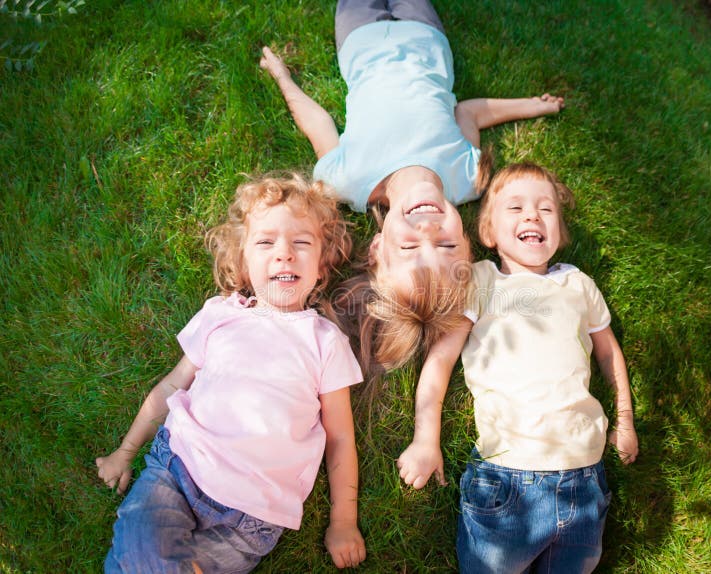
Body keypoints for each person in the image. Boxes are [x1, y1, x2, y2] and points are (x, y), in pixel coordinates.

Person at [260, 0, 564, 372]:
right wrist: (532, 105)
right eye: (447, 244)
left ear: (377, 247)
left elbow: (317, 123)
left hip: (361, 41)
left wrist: (282, 78)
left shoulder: (348, 183)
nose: (428, 229)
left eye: (409, 246)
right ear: (468, 243)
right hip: (426, 38)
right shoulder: (467, 178)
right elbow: (469, 113)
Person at [96, 174, 367, 572]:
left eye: (302, 242)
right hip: (178, 471)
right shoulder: (221, 314)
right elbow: (172, 385)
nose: (284, 254)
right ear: (241, 259)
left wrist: (344, 522)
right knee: (142, 552)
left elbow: (340, 437)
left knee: (138, 564)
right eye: (265, 241)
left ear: (322, 264)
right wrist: (126, 451)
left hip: (252, 516)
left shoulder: (325, 342)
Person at [396, 163, 639, 572]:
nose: (532, 216)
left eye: (546, 210)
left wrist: (626, 421)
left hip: (583, 481)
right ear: (489, 233)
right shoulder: (481, 281)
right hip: (507, 481)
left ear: (559, 233)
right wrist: (425, 439)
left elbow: (609, 354)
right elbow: (441, 359)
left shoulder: (578, 284)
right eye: (516, 208)